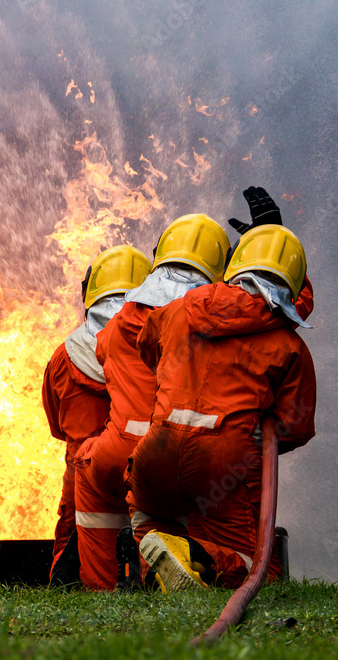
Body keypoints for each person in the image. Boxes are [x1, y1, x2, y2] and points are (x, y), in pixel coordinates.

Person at [126, 187, 316, 591]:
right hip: (221, 462)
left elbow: (147, 345)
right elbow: (294, 427)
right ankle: (196, 560)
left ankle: (158, 576)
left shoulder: (181, 306)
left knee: (151, 517)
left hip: (154, 447)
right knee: (257, 568)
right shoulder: (289, 344)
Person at [74, 214, 230, 590]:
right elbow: (269, 308)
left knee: (106, 489)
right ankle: (200, 568)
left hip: (126, 448)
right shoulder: (214, 314)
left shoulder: (118, 325)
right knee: (232, 538)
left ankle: (102, 589)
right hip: (199, 444)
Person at [41, 244, 151, 583]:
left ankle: (84, 588)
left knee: (84, 561)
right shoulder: (157, 341)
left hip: (83, 475)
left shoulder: (65, 355)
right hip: (149, 462)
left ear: (90, 295)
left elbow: (58, 425)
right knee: (155, 534)